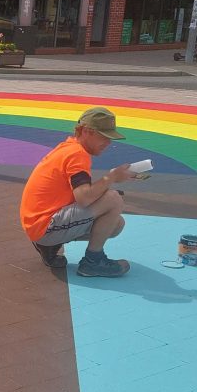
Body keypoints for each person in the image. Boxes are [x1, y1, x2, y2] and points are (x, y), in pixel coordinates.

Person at [19, 107, 136, 277]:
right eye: (104, 137)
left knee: (116, 223)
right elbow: (84, 198)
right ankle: (92, 262)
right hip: (43, 226)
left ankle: (49, 246)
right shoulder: (77, 154)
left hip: (38, 222)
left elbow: (79, 193)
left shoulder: (69, 147)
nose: (108, 143)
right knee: (113, 199)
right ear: (88, 132)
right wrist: (111, 178)